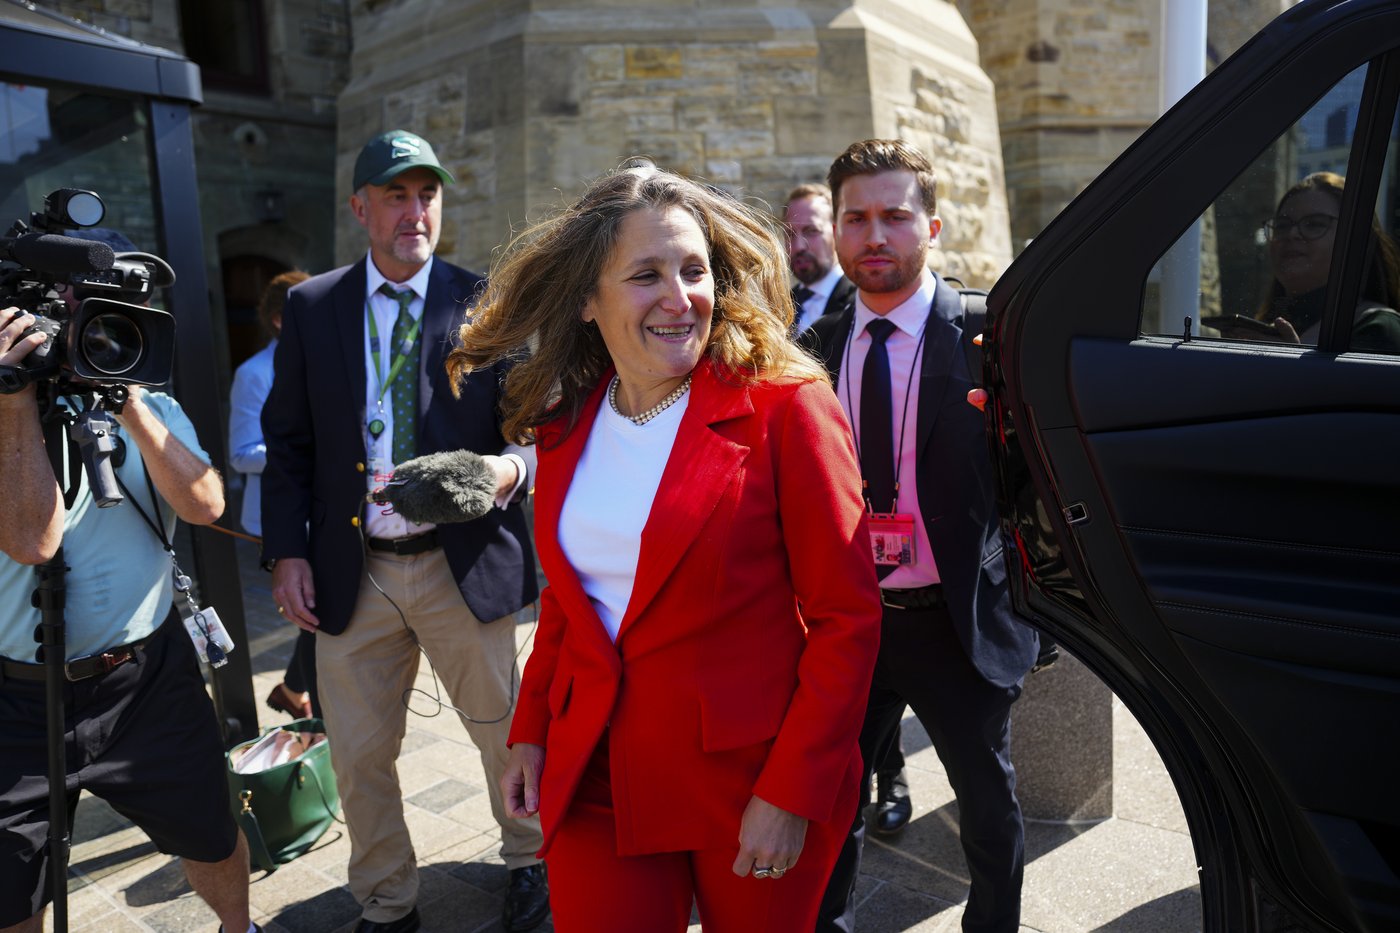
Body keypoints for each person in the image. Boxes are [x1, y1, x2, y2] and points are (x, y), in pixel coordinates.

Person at [446, 159, 882, 932]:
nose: (680, 298)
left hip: (747, 781)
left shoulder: (788, 408)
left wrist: (790, 792)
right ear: (588, 299)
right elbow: (568, 605)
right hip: (595, 776)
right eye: (646, 275)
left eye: (694, 269)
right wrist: (531, 733)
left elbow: (847, 618)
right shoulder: (566, 424)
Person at [259, 129, 548, 933]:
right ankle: (388, 901)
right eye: (396, 194)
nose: (415, 210)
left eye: (428, 194)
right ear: (361, 208)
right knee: (357, 756)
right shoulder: (314, 307)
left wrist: (508, 473)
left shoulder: (486, 299)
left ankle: (532, 862)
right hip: (357, 568)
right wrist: (286, 551)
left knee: (505, 737)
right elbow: (288, 440)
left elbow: (531, 429)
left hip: (462, 563)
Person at [802, 139, 1041, 933]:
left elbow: (1032, 480)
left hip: (956, 622)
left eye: (895, 216)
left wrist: (1043, 616)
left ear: (930, 226)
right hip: (846, 624)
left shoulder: (985, 336)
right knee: (830, 802)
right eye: (857, 217)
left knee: (988, 810)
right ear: (836, 230)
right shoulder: (814, 350)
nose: (875, 235)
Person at [0, 306, 255, 932]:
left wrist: (128, 403)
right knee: (13, 887)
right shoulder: (4, 419)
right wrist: (13, 401)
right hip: (17, 700)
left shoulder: (148, 406)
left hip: (146, 680)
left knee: (211, 834)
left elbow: (206, 505)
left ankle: (241, 928)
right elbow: (34, 541)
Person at [784, 182, 912, 834]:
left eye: (811, 231)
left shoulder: (855, 300)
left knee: (883, 668)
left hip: (888, 511)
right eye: (793, 233)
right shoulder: (783, 311)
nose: (800, 244)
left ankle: (892, 776)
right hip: (825, 522)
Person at [227, 269, 318, 719]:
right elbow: (242, 454)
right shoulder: (254, 372)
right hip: (283, 520)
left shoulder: (327, 362)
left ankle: (293, 690)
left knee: (325, 616)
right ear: (281, 320)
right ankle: (315, 717)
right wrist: (312, 451)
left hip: (328, 514)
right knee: (318, 617)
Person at [1218, 171, 1400, 352]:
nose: (1292, 234)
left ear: (1356, 240)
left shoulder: (1380, 330)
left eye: (1314, 224)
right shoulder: (1267, 324)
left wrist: (1287, 367)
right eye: (1282, 225)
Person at [784, 183, 856, 334]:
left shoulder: (859, 303)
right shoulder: (778, 306)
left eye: (811, 231)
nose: (798, 247)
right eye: (790, 234)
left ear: (837, 232)